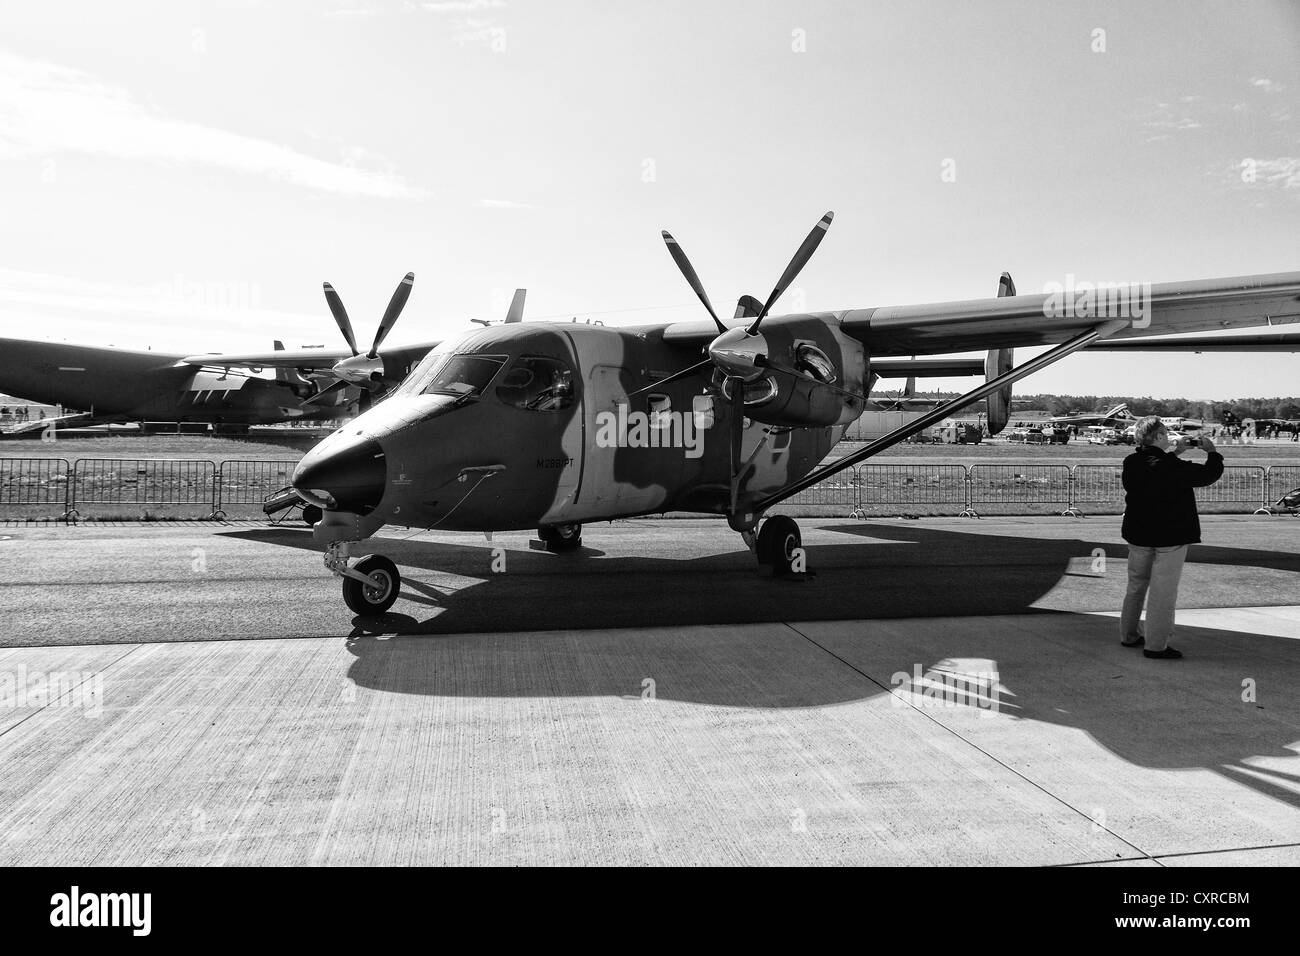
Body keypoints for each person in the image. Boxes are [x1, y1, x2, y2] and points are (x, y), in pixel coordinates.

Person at [1119, 416, 1223, 659]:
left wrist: (1176, 452)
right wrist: (1213, 452)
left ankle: (1129, 634)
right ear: (1157, 437)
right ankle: (1156, 645)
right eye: (1165, 433)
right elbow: (1208, 475)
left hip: (1138, 532)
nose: (1168, 437)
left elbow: (1155, 468)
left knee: (1136, 585)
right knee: (1162, 591)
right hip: (1170, 535)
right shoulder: (1174, 468)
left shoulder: (1132, 462)